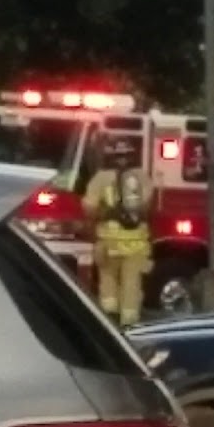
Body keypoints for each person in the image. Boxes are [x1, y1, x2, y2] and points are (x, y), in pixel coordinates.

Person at [82, 137, 153, 327]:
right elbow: (146, 206)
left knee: (107, 281)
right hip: (136, 244)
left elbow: (89, 208)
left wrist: (104, 212)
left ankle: (109, 319)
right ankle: (129, 322)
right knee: (132, 284)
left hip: (108, 243)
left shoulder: (99, 178)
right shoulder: (142, 177)